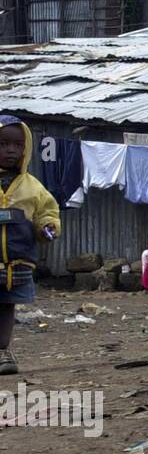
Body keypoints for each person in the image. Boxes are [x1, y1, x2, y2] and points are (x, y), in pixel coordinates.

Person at [0, 116, 60, 375]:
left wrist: (48, 227)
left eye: (17, 145)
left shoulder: (32, 187)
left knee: (6, 306)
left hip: (17, 260)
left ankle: (3, 351)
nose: (11, 150)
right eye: (2, 144)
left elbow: (46, 212)